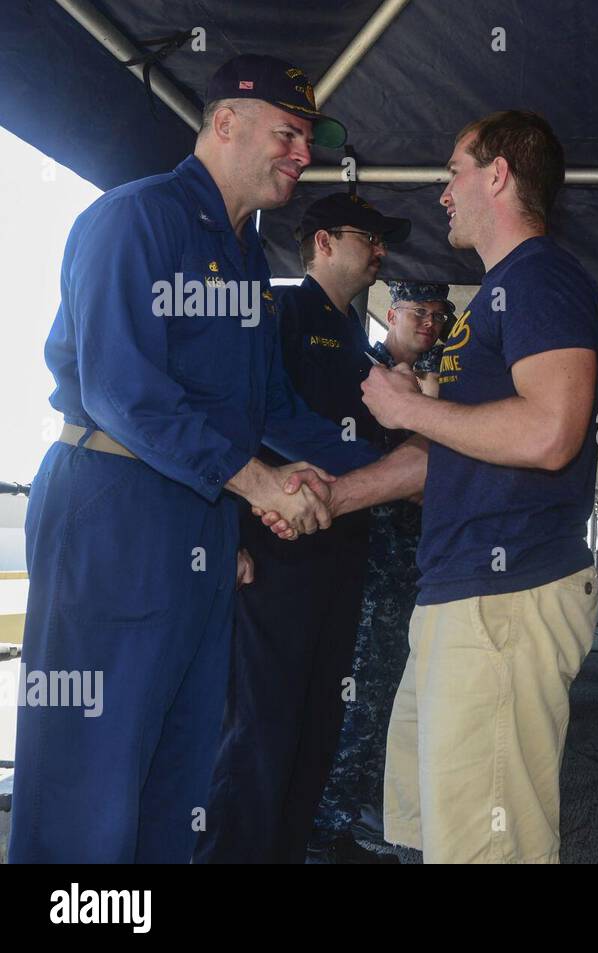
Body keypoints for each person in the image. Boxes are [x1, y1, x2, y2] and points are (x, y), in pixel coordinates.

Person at [10, 54, 377, 864]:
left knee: (180, 775)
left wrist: (396, 457)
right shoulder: (132, 219)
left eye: (307, 139)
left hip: (200, 523)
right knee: (91, 774)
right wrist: (256, 480)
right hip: (114, 508)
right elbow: (120, 390)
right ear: (224, 123)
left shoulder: (251, 260)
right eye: (288, 133)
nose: (302, 154)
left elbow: (272, 409)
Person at [264, 109, 598, 863]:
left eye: (453, 172)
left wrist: (410, 405)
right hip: (459, 595)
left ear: (498, 174)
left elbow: (551, 431)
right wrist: (332, 496)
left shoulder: (542, 278)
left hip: (505, 597)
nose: (443, 192)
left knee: (490, 845)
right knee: (440, 833)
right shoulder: (495, 296)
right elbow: (442, 453)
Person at [196, 192, 410, 865]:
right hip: (276, 549)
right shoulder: (280, 313)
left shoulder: (357, 337)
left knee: (319, 721)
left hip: (343, 549)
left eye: (382, 240)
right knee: (263, 724)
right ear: (320, 242)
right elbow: (241, 423)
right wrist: (228, 536)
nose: (379, 251)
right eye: (366, 237)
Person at [310, 280, 455, 864]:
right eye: (419, 312)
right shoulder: (363, 374)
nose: (430, 323)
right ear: (390, 314)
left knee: (394, 696)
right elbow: (345, 454)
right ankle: (324, 833)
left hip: (410, 569)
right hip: (365, 563)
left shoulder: (431, 385)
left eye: (439, 316)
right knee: (360, 696)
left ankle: (358, 810)